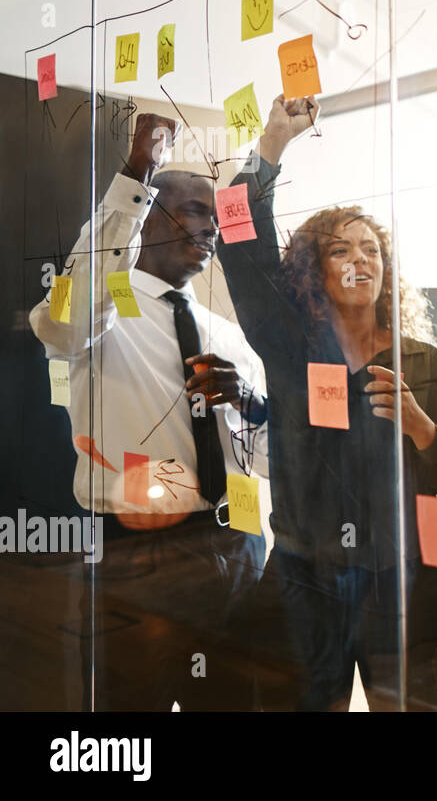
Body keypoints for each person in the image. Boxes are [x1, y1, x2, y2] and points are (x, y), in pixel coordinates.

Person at [217, 94, 437, 711]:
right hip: (307, 576)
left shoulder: (422, 359)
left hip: (403, 579)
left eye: (371, 250)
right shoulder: (290, 349)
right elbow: (237, 248)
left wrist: (419, 426)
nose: (361, 260)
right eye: (341, 250)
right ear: (313, 269)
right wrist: (270, 148)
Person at [30, 113, 269, 710]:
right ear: (147, 217)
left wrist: (253, 405)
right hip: (138, 556)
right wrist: (137, 174)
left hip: (234, 544)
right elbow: (67, 321)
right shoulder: (96, 315)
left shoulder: (230, 338)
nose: (211, 227)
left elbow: (263, 459)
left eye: (216, 215)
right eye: (195, 210)